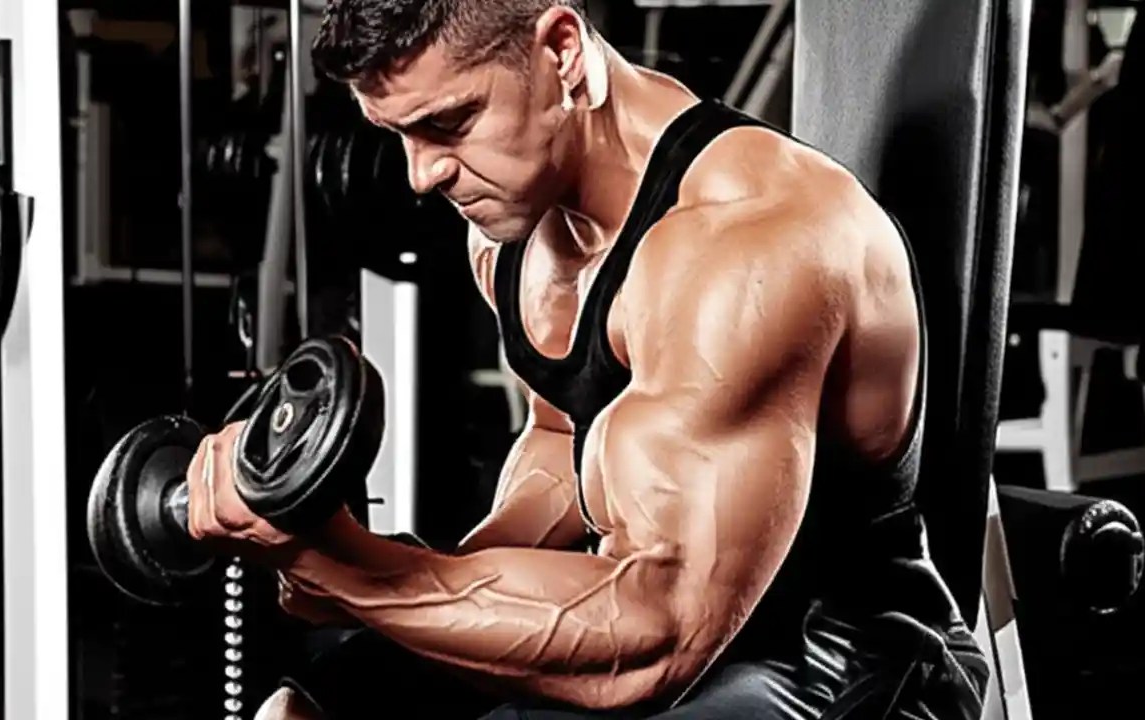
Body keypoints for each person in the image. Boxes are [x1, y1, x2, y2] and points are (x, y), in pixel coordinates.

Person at [185, 1, 989, 718]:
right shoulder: (518, 226)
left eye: (449, 124)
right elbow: (562, 440)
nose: (422, 175)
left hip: (843, 664)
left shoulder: (747, 246)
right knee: (313, 704)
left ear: (562, 51)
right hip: (666, 616)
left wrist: (367, 576)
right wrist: (443, 584)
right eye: (399, 134)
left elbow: (659, 633)